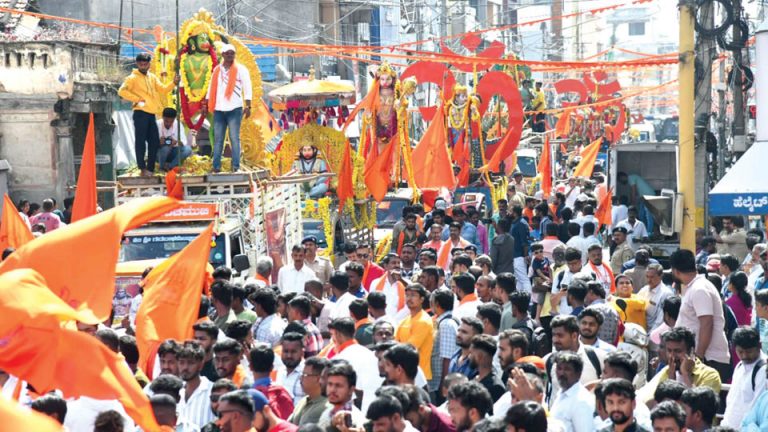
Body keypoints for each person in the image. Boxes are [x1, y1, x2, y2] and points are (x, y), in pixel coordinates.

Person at [670, 249, 731, 380]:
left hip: (709, 359)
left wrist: (698, 356)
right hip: (702, 358)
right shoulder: (694, 287)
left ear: (675, 271)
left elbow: (707, 323)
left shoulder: (699, 289)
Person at [118, 52, 179, 176]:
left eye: (145, 64)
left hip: (151, 113)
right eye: (141, 64)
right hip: (140, 113)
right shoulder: (132, 78)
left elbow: (163, 89)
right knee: (140, 141)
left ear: (149, 64)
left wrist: (174, 83)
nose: (143, 66)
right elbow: (121, 91)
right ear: (137, 64)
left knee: (154, 142)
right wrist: (137, 99)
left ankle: (150, 169)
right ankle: (142, 168)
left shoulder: (152, 77)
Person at [636, 327, 721, 406]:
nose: (672, 356)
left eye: (677, 351)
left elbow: (698, 408)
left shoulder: (710, 375)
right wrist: (671, 381)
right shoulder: (667, 371)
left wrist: (686, 374)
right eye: (669, 351)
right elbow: (656, 404)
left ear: (691, 351)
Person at [202, 44, 251, 173]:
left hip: (235, 109)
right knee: (218, 139)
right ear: (222, 55)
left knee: (234, 138)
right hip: (219, 109)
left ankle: (236, 167)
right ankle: (216, 167)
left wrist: (248, 105)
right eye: (227, 53)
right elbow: (210, 88)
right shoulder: (217, 70)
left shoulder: (241, 69)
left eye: (232, 53)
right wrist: (205, 104)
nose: (230, 55)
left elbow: (247, 87)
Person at [544, 315, 606, 402]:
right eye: (554, 335)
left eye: (560, 336)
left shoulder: (597, 357)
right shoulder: (548, 361)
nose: (555, 340)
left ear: (574, 336)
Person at [721, 327, 767, 427]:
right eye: (740, 352)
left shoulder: (764, 371)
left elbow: (756, 409)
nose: (745, 356)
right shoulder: (739, 366)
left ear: (759, 346)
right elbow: (732, 400)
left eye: (749, 351)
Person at [549, 351, 596, 432]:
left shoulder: (581, 401)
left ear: (578, 373)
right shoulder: (562, 394)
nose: (561, 373)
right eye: (559, 368)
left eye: (567, 369)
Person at [395, 284, 435, 379]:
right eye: (407, 295)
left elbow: (409, 349)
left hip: (419, 377)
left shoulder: (423, 321)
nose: (409, 298)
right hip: (405, 374)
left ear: (422, 299)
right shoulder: (405, 320)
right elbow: (394, 343)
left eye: (413, 295)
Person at [177, 340, 215, 429]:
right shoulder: (175, 391)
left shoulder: (213, 392)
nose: (185, 367)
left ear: (201, 365)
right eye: (182, 362)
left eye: (190, 363)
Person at [318, 362, 367, 431]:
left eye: (338, 386)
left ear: (351, 390)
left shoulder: (356, 420)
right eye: (330, 384)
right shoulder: (327, 413)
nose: (332, 390)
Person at [430, 288, 459, 398]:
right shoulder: (446, 321)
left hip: (440, 381)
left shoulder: (446, 324)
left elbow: (447, 358)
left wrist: (444, 385)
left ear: (436, 303)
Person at [288, 356, 328, 426]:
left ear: (318, 379)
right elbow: (287, 426)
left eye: (305, 375)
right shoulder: (303, 401)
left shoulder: (325, 407)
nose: (300, 378)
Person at [636, 263, 673, 331]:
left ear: (661, 276)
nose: (649, 280)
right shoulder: (644, 289)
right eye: (647, 276)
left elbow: (660, 321)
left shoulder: (666, 294)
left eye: (652, 277)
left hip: (654, 332)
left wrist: (650, 336)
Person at [469, 334, 506, 402]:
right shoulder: (473, 377)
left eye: (471, 353)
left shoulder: (495, 387)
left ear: (479, 356)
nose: (469, 357)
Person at [155, 107, 192, 171]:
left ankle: (170, 166)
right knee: (165, 148)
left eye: (171, 121)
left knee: (188, 149)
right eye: (166, 121)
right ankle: (162, 167)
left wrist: (176, 142)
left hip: (173, 153)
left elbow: (184, 142)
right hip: (159, 154)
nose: (168, 123)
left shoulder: (178, 124)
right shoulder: (156, 124)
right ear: (162, 117)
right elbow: (149, 144)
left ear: (174, 119)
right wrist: (158, 142)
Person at [275, 332, 306, 405]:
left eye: (293, 352)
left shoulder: (307, 374)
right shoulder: (280, 371)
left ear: (302, 352)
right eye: (286, 351)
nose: (289, 355)